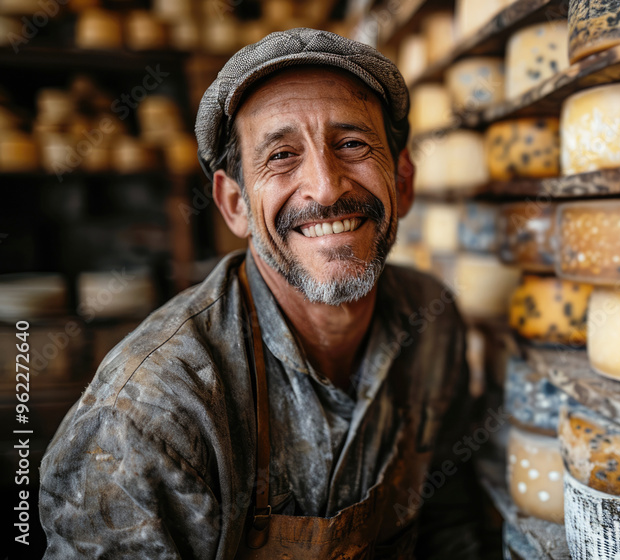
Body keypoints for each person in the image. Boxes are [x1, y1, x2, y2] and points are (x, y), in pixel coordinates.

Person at [39, 28, 482, 559]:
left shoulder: (431, 324)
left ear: (403, 180)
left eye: (352, 144)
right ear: (234, 206)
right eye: (281, 155)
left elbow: (450, 520)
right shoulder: (148, 417)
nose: (326, 186)